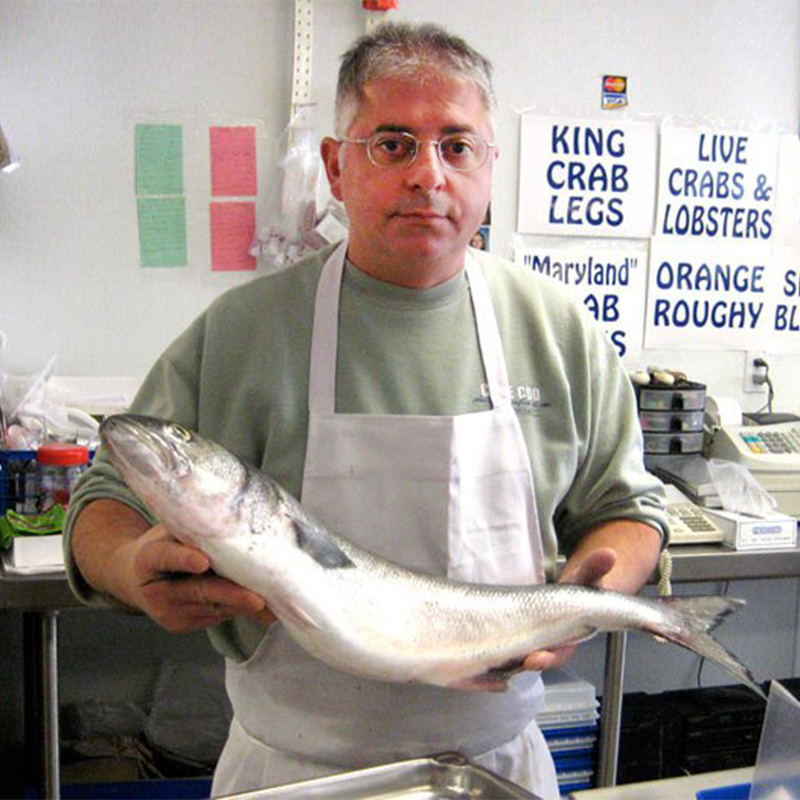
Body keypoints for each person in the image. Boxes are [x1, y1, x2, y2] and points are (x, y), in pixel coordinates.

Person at [65, 22, 667, 800]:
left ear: (490, 166)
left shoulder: (558, 332)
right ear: (335, 167)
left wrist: (596, 588)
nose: (428, 176)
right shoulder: (243, 331)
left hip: (495, 766)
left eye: (457, 146)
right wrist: (129, 568)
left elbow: (628, 509)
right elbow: (101, 503)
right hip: (291, 773)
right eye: (392, 144)